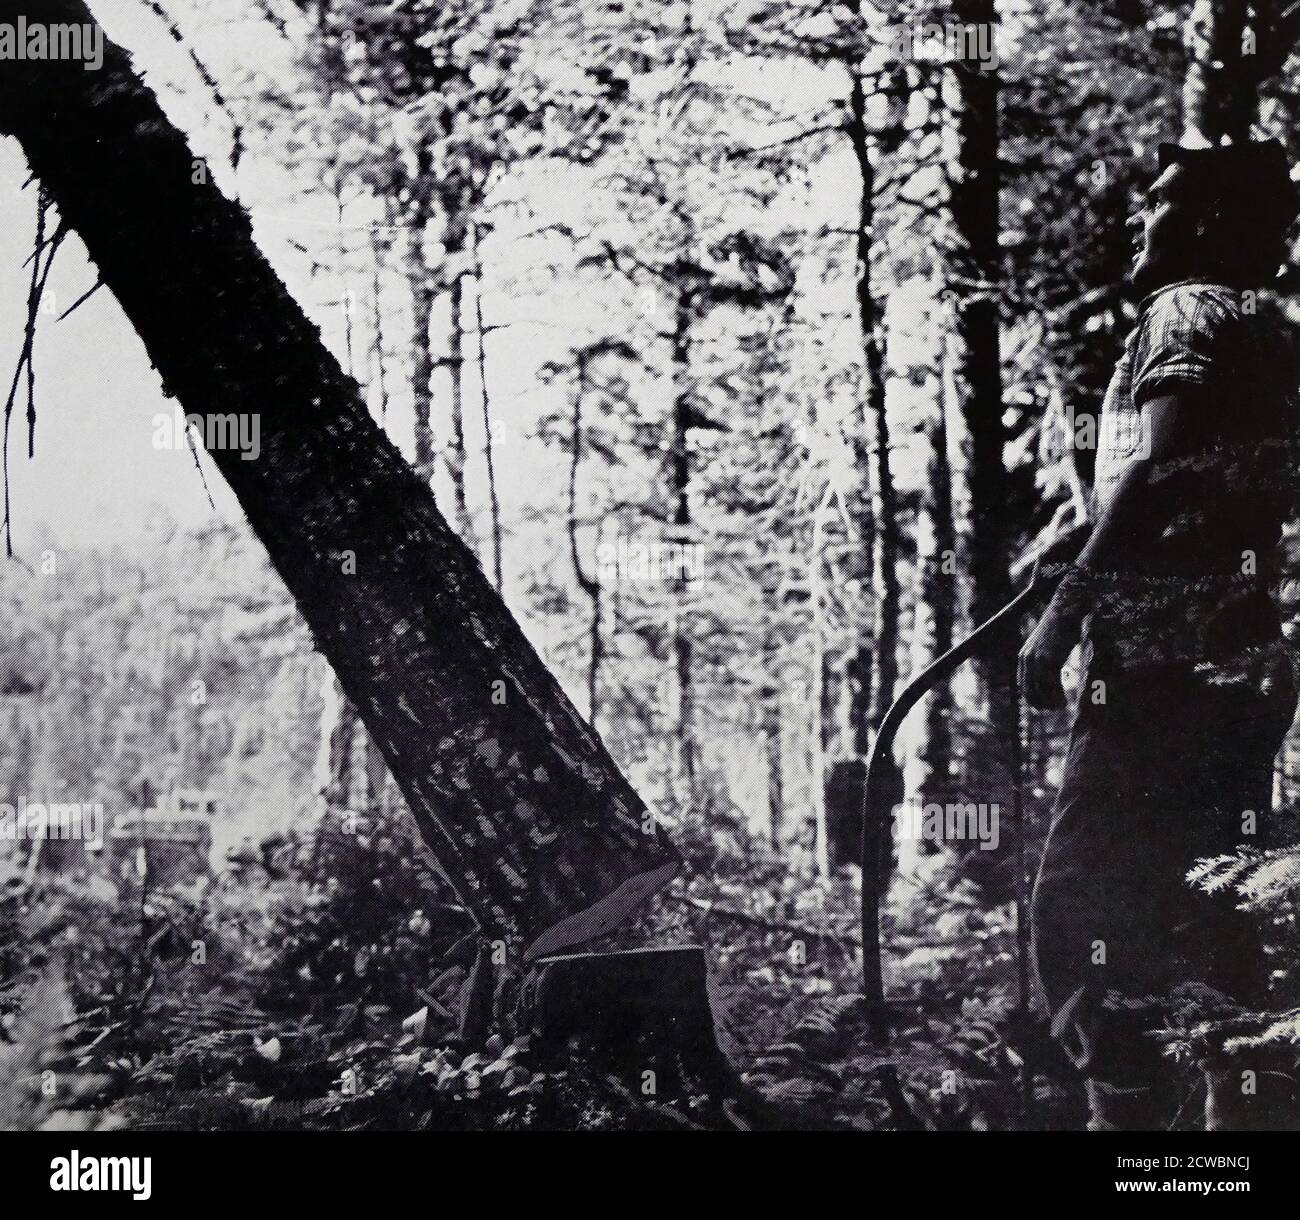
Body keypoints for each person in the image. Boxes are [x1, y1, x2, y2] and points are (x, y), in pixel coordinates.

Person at [1018, 140, 1300, 1130]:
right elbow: (1207, 479)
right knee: (1205, 900)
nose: (1140, 218)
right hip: (1238, 659)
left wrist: (1064, 611)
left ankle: (1126, 1123)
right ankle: (1232, 1120)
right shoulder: (1265, 327)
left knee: (1079, 904)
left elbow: (1163, 463)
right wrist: (1071, 545)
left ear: (1214, 226)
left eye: (1162, 203)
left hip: (1156, 666)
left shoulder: (1183, 309)